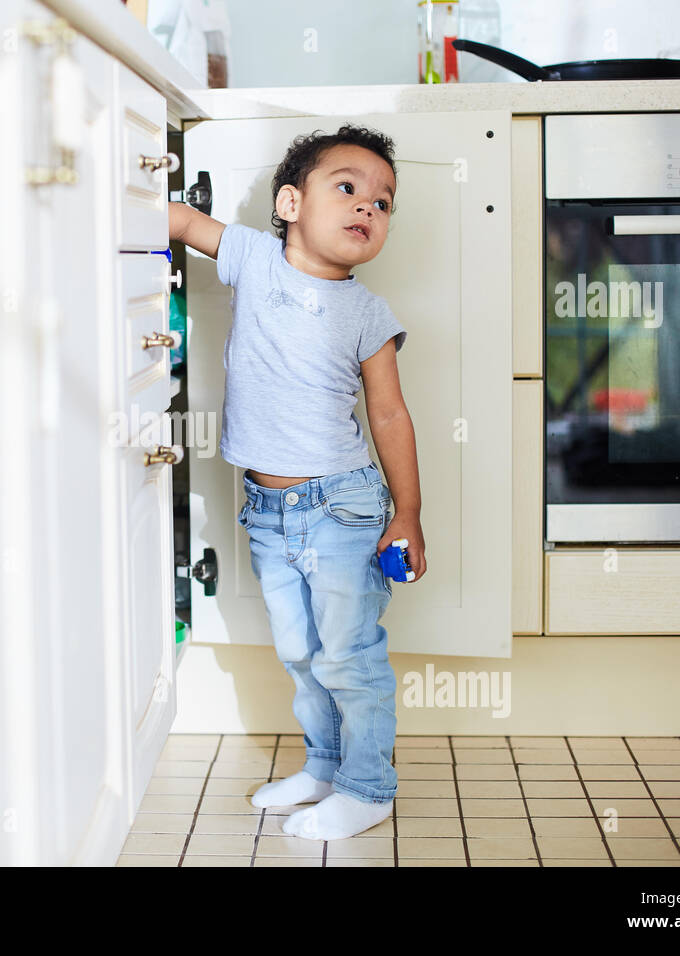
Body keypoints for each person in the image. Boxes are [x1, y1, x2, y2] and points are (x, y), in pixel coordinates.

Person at [168, 124, 426, 842]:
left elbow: (390, 413)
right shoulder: (253, 257)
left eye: (383, 203)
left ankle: (368, 786)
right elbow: (182, 220)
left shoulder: (367, 312)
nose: (367, 208)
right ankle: (324, 767)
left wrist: (407, 512)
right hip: (267, 509)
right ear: (289, 202)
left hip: (342, 506)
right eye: (348, 187)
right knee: (301, 651)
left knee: (349, 655)